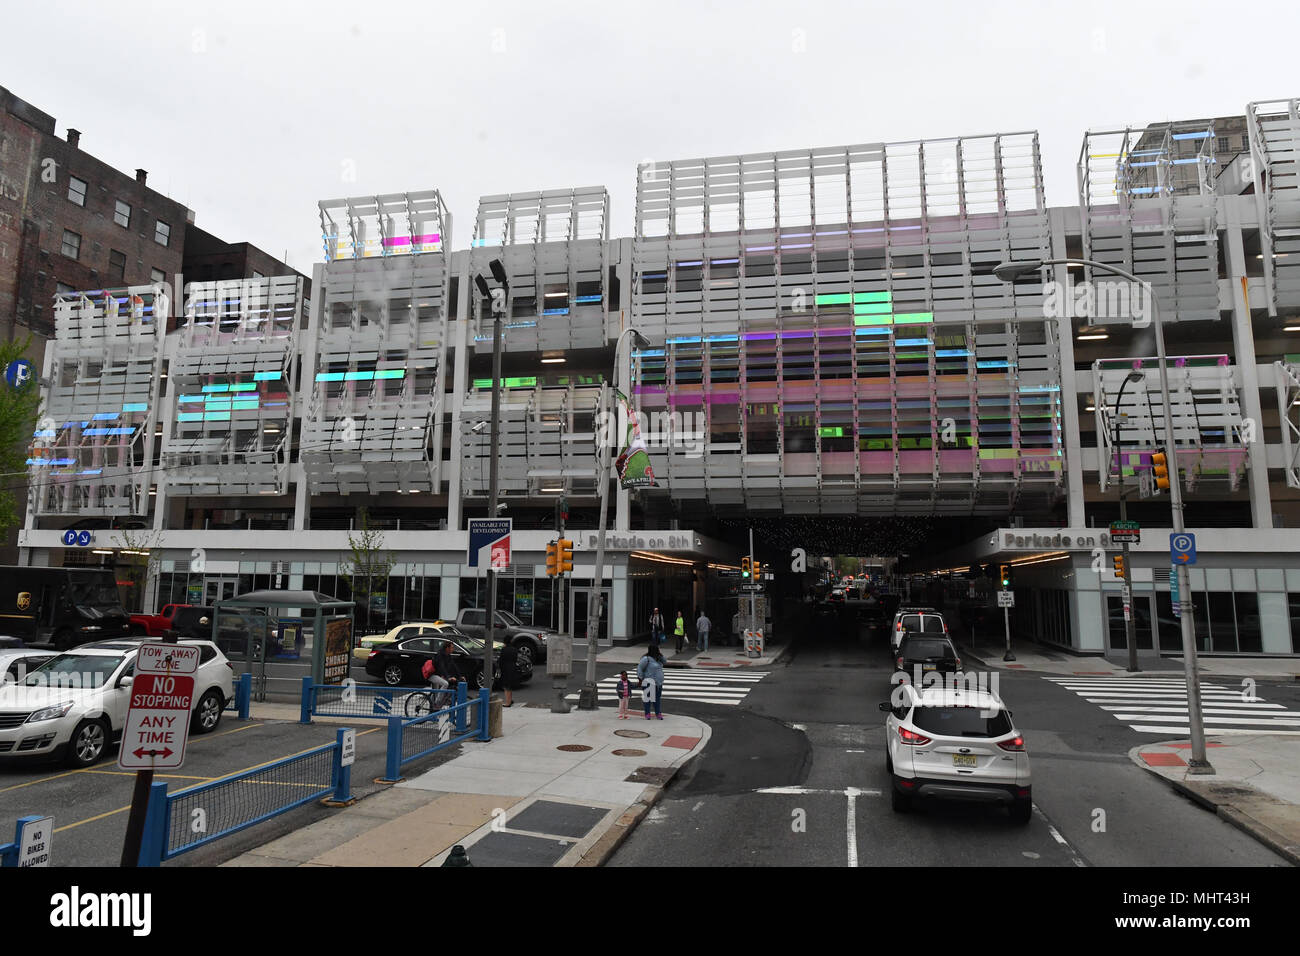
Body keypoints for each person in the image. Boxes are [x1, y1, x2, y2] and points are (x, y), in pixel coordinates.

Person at [636, 643, 665, 720]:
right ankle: (647, 714)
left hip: (658, 683)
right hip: (648, 682)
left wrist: (661, 656)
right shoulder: (646, 659)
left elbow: (665, 662)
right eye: (658, 650)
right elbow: (639, 669)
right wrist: (640, 679)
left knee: (657, 699)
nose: (659, 651)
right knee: (648, 699)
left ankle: (658, 713)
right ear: (654, 650)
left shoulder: (658, 658)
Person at [498, 642, 520, 707]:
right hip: (513, 667)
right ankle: (510, 700)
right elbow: (515, 659)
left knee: (506, 686)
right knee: (510, 686)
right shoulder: (514, 649)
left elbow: (501, 660)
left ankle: (507, 702)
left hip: (506, 668)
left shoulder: (504, 650)